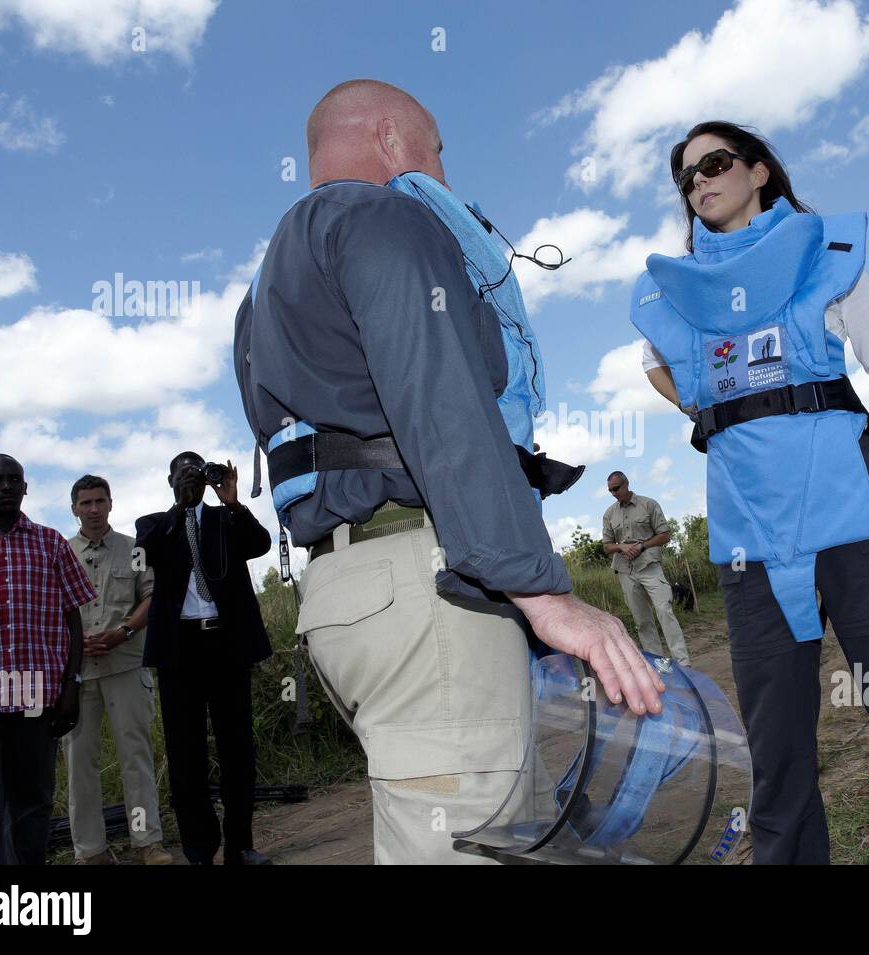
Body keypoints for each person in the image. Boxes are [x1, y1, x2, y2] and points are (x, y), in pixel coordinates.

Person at [233, 78, 663, 865]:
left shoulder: (263, 289)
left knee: (515, 833)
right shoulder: (376, 214)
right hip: (431, 583)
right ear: (393, 139)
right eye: (437, 149)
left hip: (346, 596)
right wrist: (541, 590)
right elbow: (440, 402)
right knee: (472, 841)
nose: (443, 172)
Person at [630, 121, 869, 864]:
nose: (700, 180)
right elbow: (651, 361)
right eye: (687, 175)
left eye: (716, 163)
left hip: (850, 511)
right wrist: (710, 410)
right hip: (750, 533)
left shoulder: (825, 253)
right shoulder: (677, 289)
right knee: (778, 747)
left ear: (759, 170)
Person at [0, 453, 93, 864]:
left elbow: (72, 620)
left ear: (26, 487)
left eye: (13, 479)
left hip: (34, 697)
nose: (5, 486)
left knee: (31, 804)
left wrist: (71, 686)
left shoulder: (52, 543)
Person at [134, 453, 273, 865]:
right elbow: (143, 555)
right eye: (183, 471)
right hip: (181, 651)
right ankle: (198, 848)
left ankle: (240, 845)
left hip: (227, 646)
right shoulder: (155, 524)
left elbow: (260, 544)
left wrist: (231, 502)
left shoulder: (225, 519)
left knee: (237, 749)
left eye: (196, 469)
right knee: (185, 753)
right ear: (170, 480)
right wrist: (181, 507)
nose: (190, 476)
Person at [65, 474, 172, 865]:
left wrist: (123, 631)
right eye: (85, 503)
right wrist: (72, 645)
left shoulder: (134, 549)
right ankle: (90, 852)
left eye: (100, 501)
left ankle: (147, 843)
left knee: (135, 756)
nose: (93, 509)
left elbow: (152, 596)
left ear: (111, 503)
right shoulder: (60, 552)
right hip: (77, 673)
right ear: (74, 508)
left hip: (126, 663)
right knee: (80, 765)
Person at [601, 471, 691, 665]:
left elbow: (665, 535)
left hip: (650, 566)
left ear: (626, 484)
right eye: (610, 491)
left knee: (664, 611)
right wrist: (622, 547)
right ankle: (658, 664)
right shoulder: (609, 514)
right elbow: (607, 546)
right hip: (626, 571)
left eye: (616, 488)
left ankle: (683, 663)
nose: (614, 493)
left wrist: (642, 545)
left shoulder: (649, 504)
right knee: (642, 620)